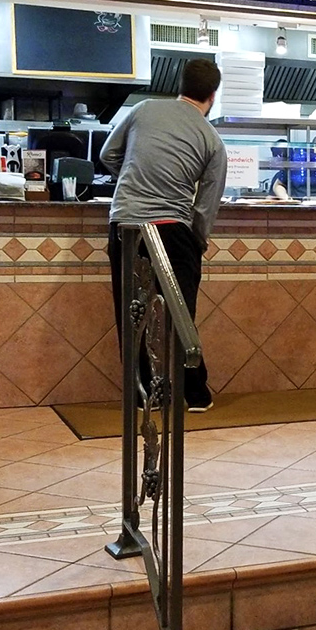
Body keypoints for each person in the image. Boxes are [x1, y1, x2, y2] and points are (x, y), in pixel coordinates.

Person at [100, 58, 227, 413]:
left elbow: (107, 154)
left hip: (126, 222)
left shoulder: (143, 109)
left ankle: (144, 397)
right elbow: (206, 205)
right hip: (174, 229)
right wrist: (197, 241)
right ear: (213, 96)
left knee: (132, 312)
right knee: (180, 314)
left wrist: (131, 175)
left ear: (179, 85)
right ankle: (195, 395)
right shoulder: (212, 140)